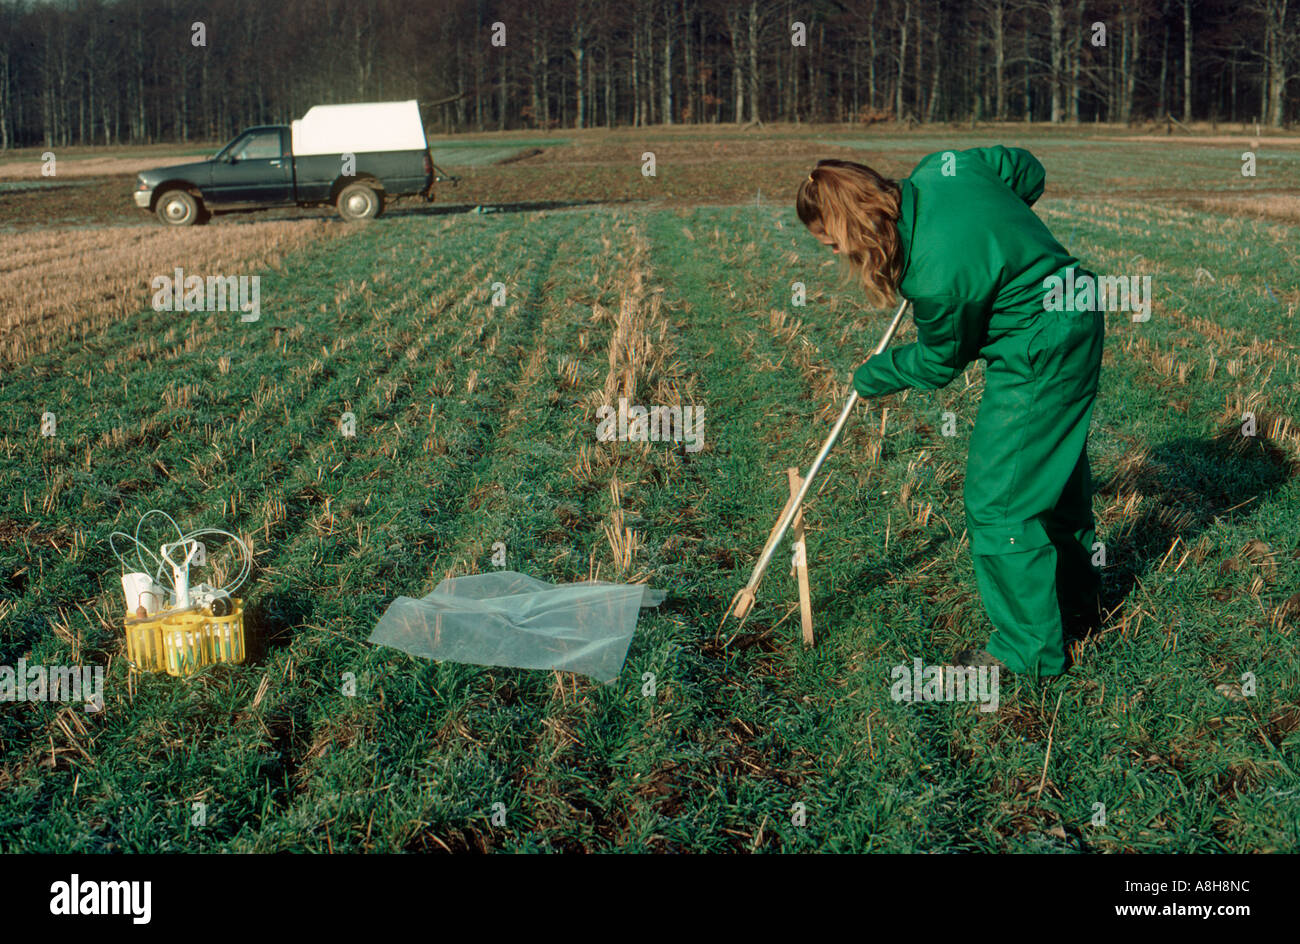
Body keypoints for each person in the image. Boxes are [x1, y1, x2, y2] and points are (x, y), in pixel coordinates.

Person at [796, 149, 1104, 677]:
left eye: (832, 242)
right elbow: (1029, 169)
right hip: (1080, 313)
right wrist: (996, 225)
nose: (835, 252)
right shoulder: (948, 167)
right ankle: (1075, 605)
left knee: (1000, 501)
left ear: (852, 223)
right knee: (1051, 477)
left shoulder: (936, 275)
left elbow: (940, 361)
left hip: (1038, 349)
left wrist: (871, 375)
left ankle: (1028, 652)